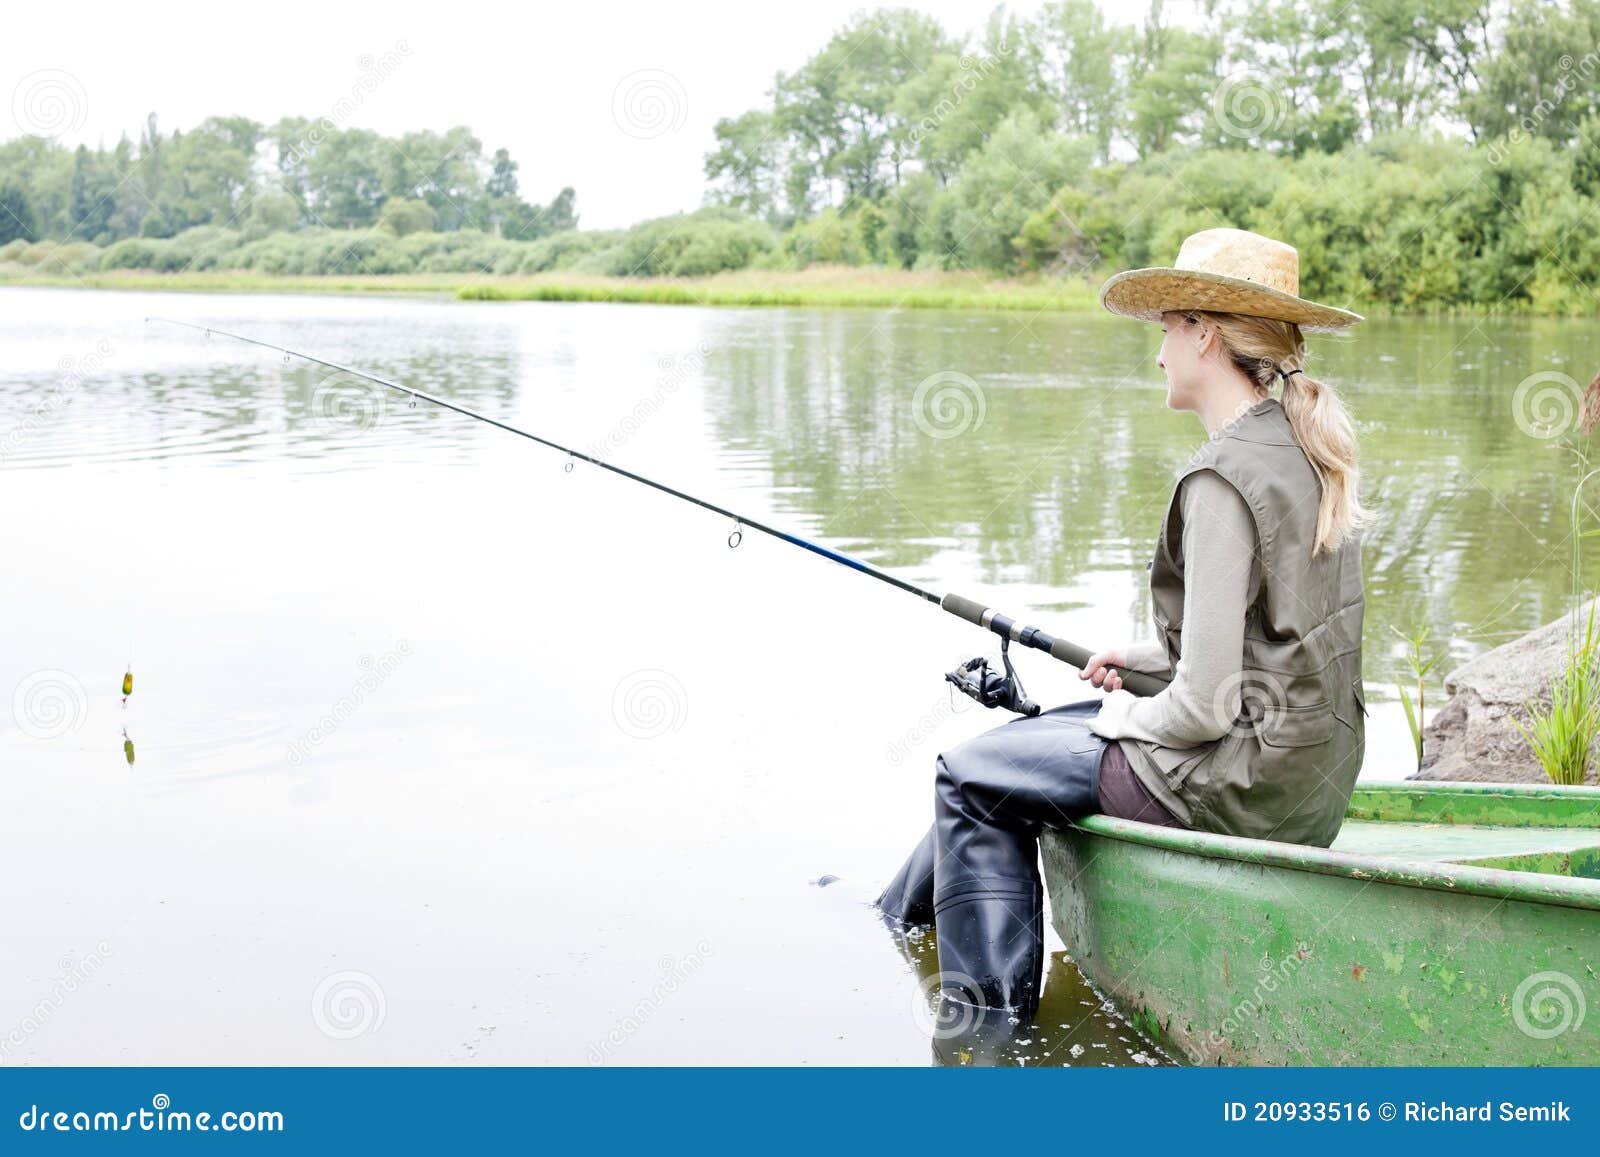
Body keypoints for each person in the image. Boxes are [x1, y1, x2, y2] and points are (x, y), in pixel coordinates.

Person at [876, 227, 1369, 1049]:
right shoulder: (1304, 446)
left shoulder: (1222, 477)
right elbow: (1272, 641)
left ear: (1205, 335)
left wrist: (1120, 719)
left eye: (1167, 330)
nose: (1159, 354)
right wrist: (1142, 664)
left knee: (968, 776)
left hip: (1238, 786)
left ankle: (985, 1040)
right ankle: (896, 914)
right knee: (1020, 746)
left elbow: (1206, 705)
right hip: (1307, 779)